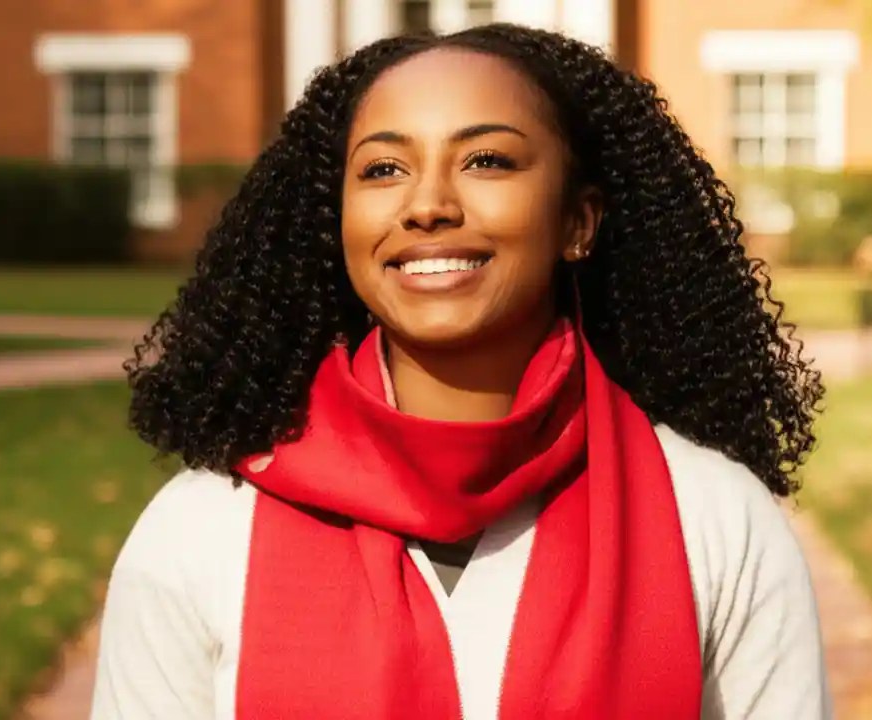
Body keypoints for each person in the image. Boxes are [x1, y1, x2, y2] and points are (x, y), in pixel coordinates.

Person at [92, 23, 829, 720]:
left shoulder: (714, 521)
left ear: (579, 222)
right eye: (383, 169)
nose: (428, 206)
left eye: (487, 161)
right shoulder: (204, 528)